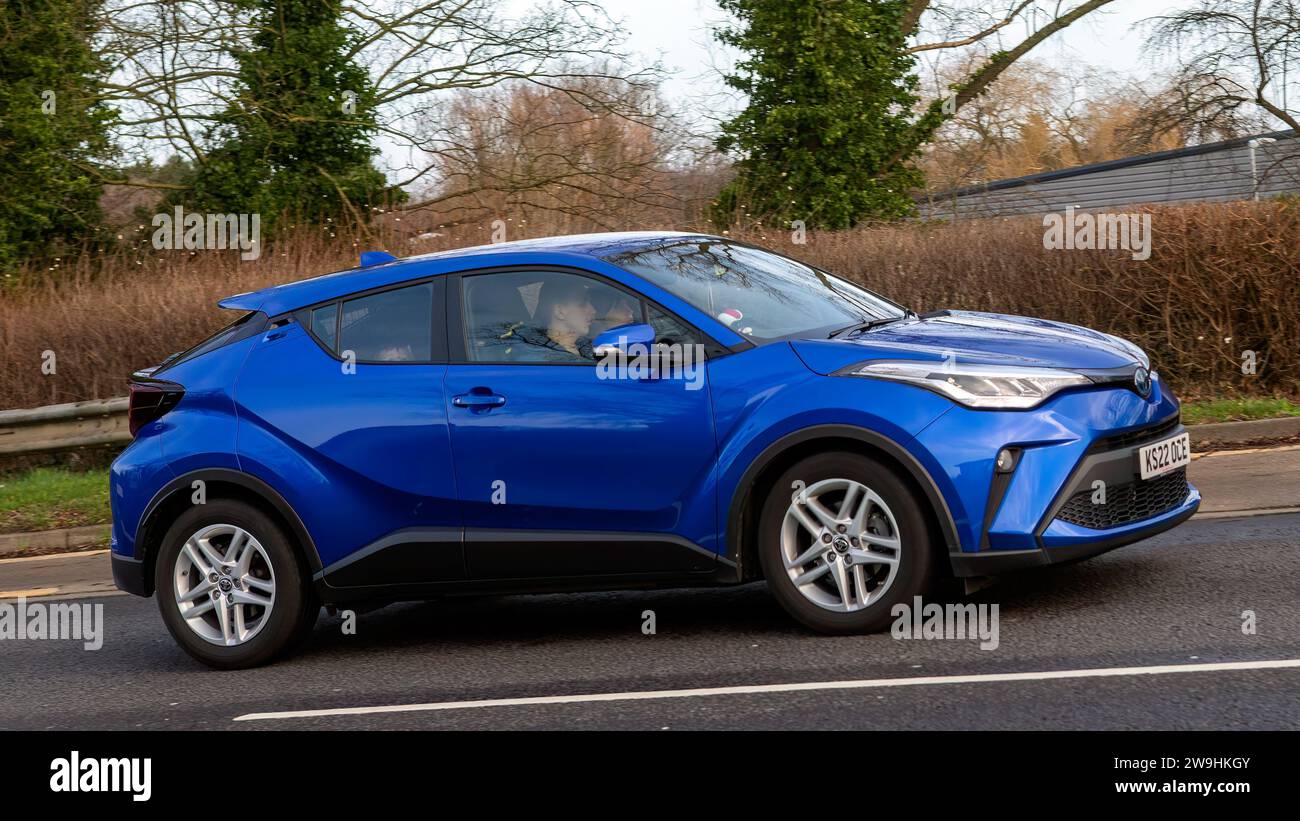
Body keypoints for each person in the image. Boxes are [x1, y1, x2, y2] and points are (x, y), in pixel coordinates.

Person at [513, 277, 597, 361]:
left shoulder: (583, 347)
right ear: (559, 311)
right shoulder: (539, 359)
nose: (593, 311)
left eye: (590, 302)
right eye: (582, 304)